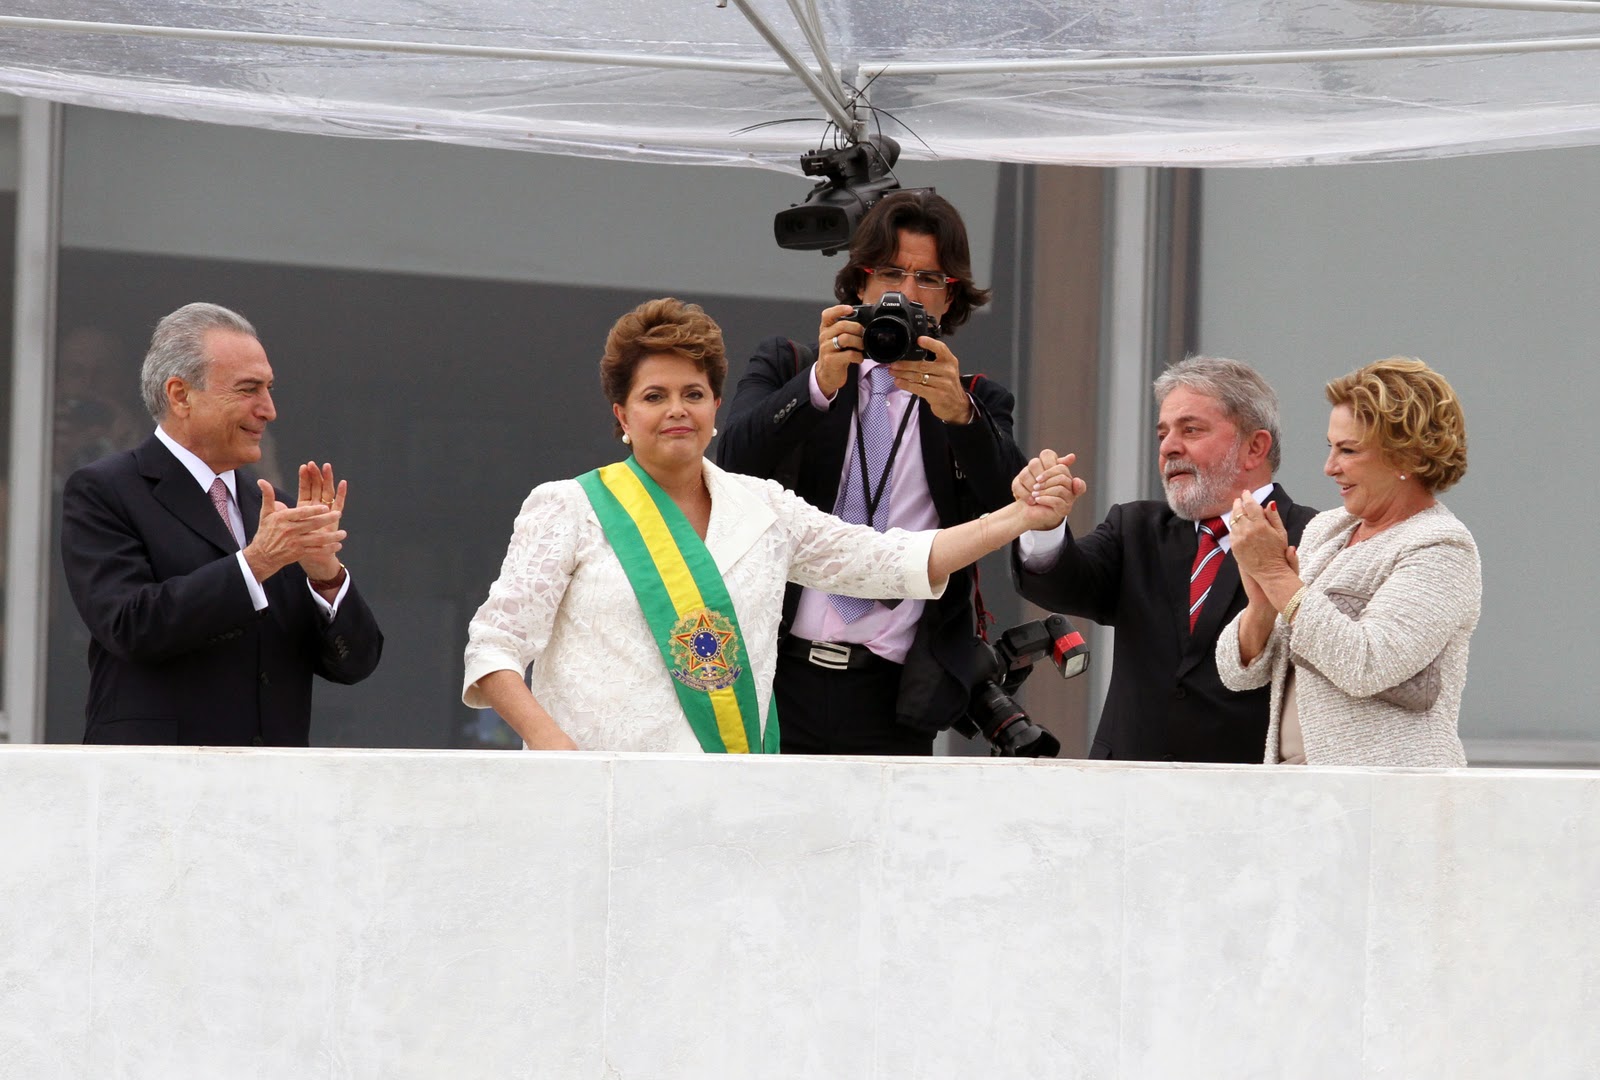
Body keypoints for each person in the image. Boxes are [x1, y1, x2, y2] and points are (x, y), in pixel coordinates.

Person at [462, 297, 1072, 754]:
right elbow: (494, 648)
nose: (676, 410)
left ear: (715, 406)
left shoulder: (763, 508)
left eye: (693, 394)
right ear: (622, 415)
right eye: (654, 396)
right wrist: (556, 749)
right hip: (600, 797)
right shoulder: (568, 507)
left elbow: (893, 561)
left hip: (727, 801)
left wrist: (1021, 515)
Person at [715, 190, 1025, 755]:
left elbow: (1010, 503)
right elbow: (732, 462)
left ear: (950, 297)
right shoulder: (790, 365)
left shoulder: (976, 400)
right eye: (890, 273)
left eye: (928, 278)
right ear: (859, 283)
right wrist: (818, 385)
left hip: (896, 693)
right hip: (776, 676)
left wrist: (960, 414)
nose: (906, 293)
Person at [60, 302, 383, 745]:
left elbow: (355, 664)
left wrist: (325, 576)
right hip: (156, 773)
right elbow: (130, 627)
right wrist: (256, 563)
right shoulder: (106, 490)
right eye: (249, 389)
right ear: (180, 395)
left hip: (270, 777)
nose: (268, 410)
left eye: (269, 389)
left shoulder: (276, 511)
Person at [1012, 355, 1318, 762]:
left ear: (1254, 447)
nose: (1169, 447)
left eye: (1191, 430)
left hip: (1247, 786)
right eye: (1163, 433)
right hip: (1126, 783)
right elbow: (1063, 583)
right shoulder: (1135, 528)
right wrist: (1045, 524)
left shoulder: (1315, 538)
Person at [1218, 358, 1478, 766]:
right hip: (1298, 786)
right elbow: (1239, 673)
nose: (1329, 467)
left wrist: (1275, 574)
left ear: (1405, 457)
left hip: (1389, 791)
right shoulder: (1328, 529)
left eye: (1349, 450)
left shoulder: (1441, 546)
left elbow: (1368, 664)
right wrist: (1263, 602)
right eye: (1330, 447)